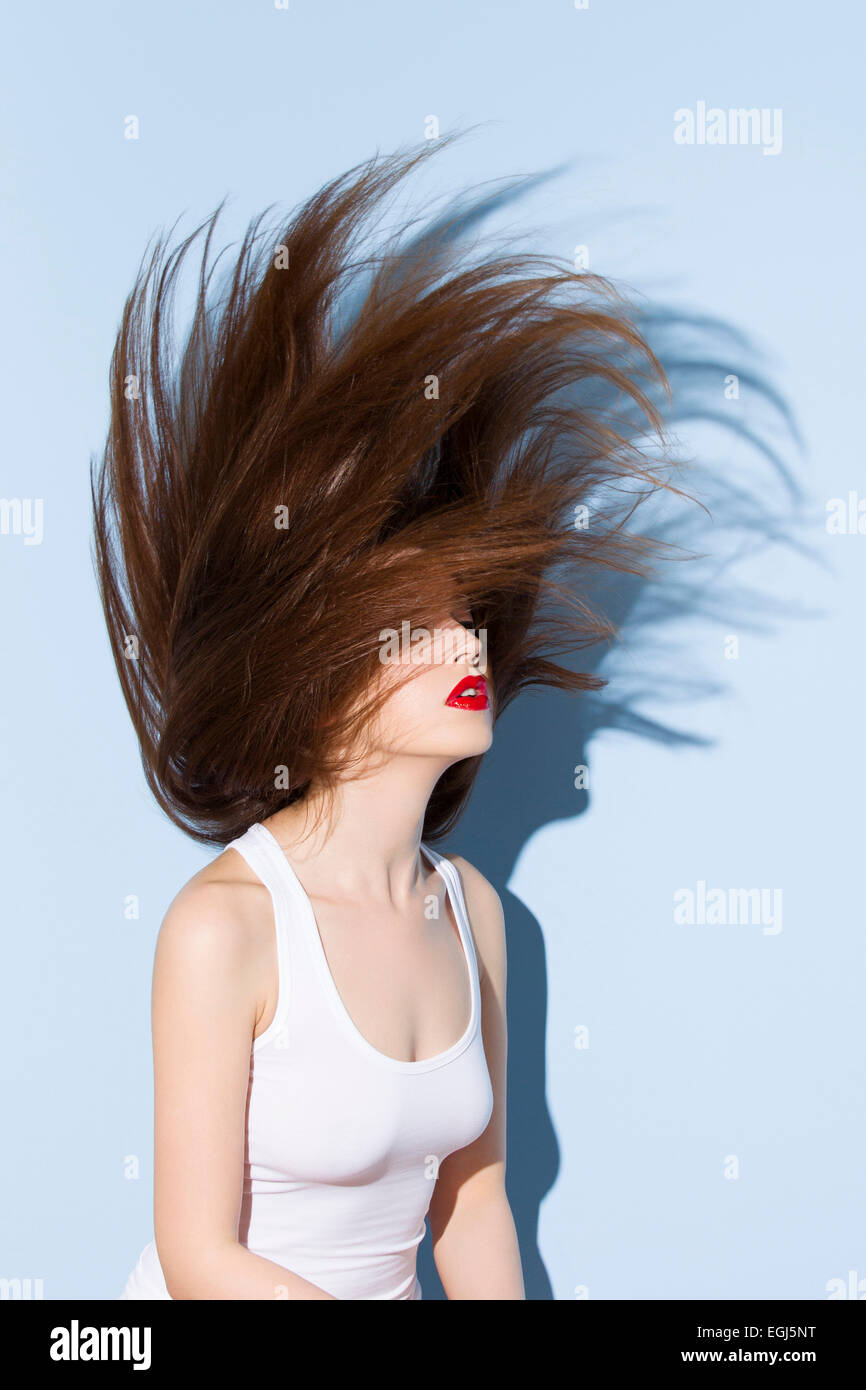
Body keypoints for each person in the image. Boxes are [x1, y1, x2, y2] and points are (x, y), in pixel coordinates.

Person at [93, 138, 676, 1299]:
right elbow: (203, 1258)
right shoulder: (223, 928)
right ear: (315, 668)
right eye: (408, 626)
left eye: (463, 614)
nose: (464, 645)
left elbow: (472, 1208)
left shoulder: (475, 915)